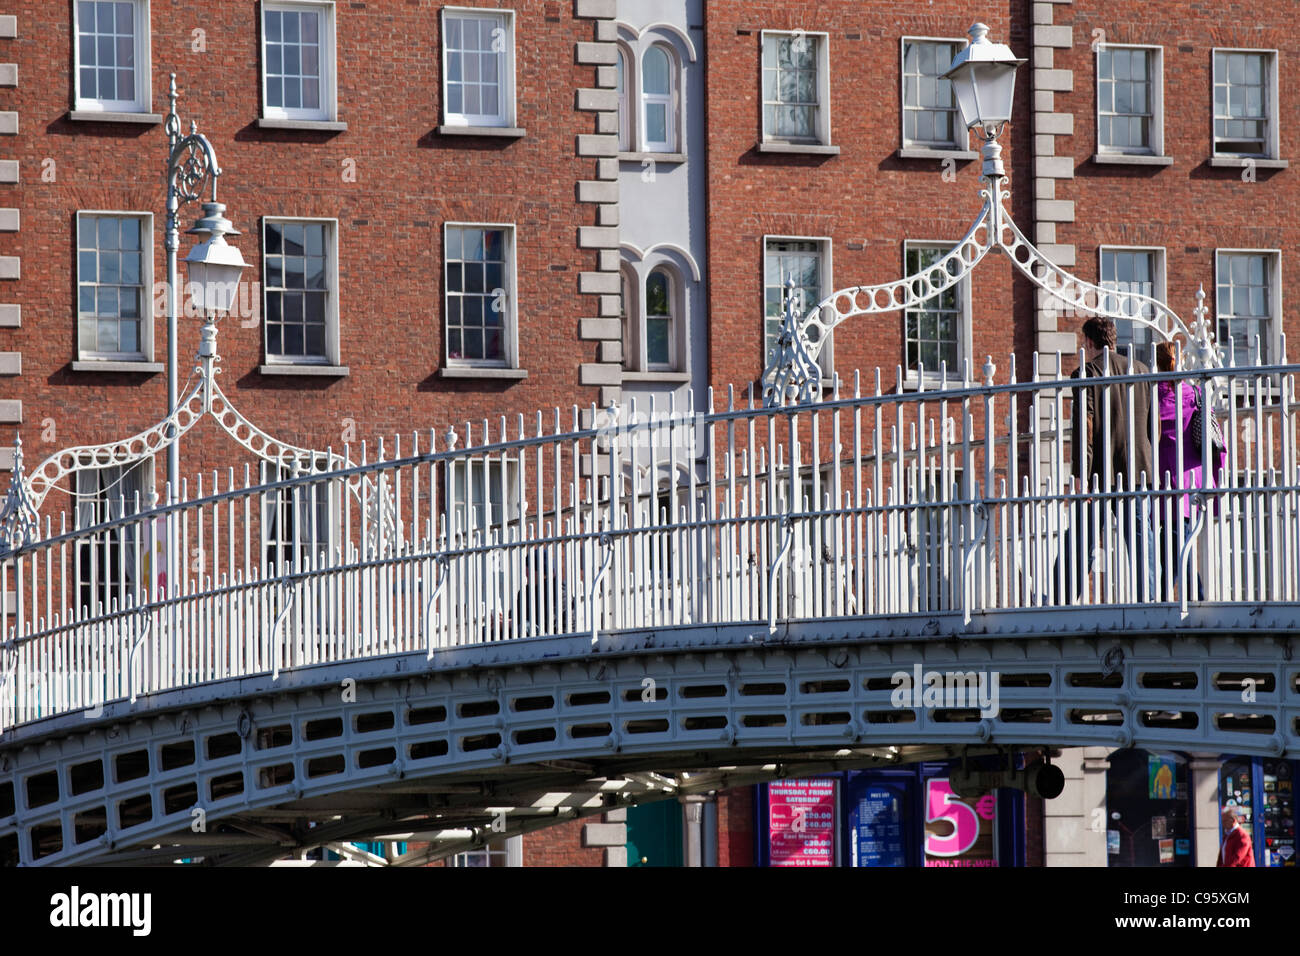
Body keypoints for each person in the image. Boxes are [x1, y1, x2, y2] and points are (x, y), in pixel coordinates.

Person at [1055, 317, 1155, 602]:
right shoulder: (1142, 370)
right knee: (1140, 541)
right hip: (1137, 471)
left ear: (1088, 342)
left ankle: (1062, 599)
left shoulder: (1086, 374)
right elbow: (1153, 427)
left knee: (1081, 540)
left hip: (1099, 475)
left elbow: (1084, 428)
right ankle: (1149, 601)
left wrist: (1080, 477)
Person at [1153, 341, 1226, 601]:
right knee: (1179, 546)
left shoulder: (1153, 395)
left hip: (1161, 485)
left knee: (1173, 548)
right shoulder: (1193, 393)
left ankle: (1165, 599)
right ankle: (1196, 596)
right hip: (1188, 481)